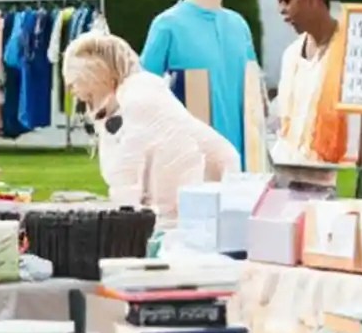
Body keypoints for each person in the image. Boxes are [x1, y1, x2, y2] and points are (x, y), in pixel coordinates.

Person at [63, 31, 239, 218]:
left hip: (180, 213)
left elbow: (124, 177)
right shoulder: (141, 91)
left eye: (76, 83)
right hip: (193, 203)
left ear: (98, 74)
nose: (74, 92)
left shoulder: (137, 99)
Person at [140, 0, 258, 166]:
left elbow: (253, 89)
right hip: (190, 164)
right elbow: (143, 93)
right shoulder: (167, 25)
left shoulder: (238, 24)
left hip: (241, 165)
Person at [269, 0, 348, 166]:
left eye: (287, 0)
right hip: (288, 175)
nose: (282, 10)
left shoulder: (349, 51)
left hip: (336, 177)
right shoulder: (292, 55)